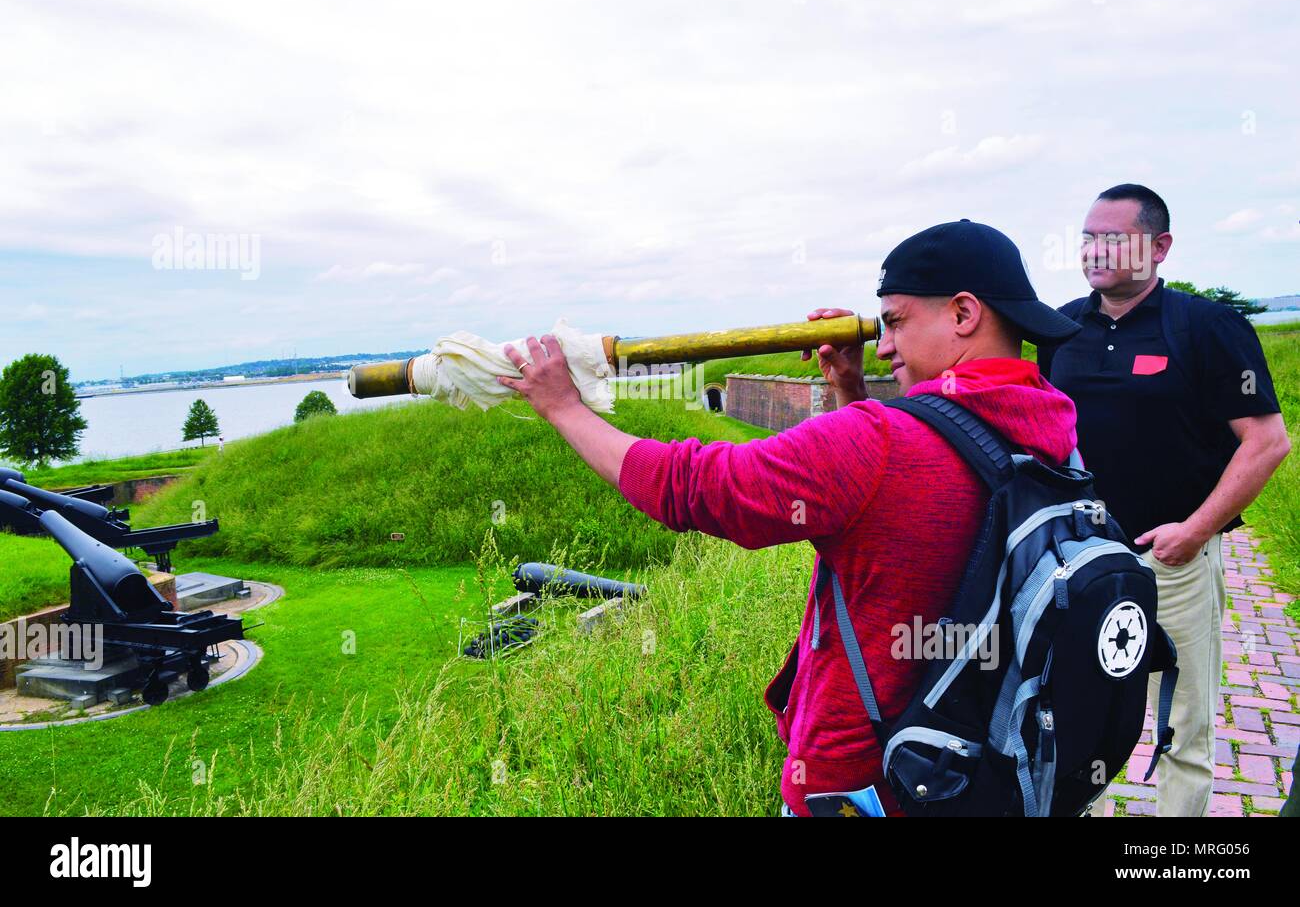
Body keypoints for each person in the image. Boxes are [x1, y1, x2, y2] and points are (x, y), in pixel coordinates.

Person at [497, 219, 1083, 816]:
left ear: (963, 314)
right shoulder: (1051, 425)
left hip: (863, 785)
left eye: (897, 321)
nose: (883, 346)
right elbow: (911, 505)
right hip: (982, 765)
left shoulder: (878, 443)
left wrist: (563, 407)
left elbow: (692, 487)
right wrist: (850, 391)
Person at [1039, 184, 1290, 817]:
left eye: (1112, 237)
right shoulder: (1060, 329)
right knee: (1077, 716)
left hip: (1173, 561)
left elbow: (1265, 442)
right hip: (1081, 565)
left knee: (1183, 723)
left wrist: (1196, 530)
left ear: (1160, 247)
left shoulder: (1208, 328)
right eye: (1088, 237)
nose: (1095, 251)